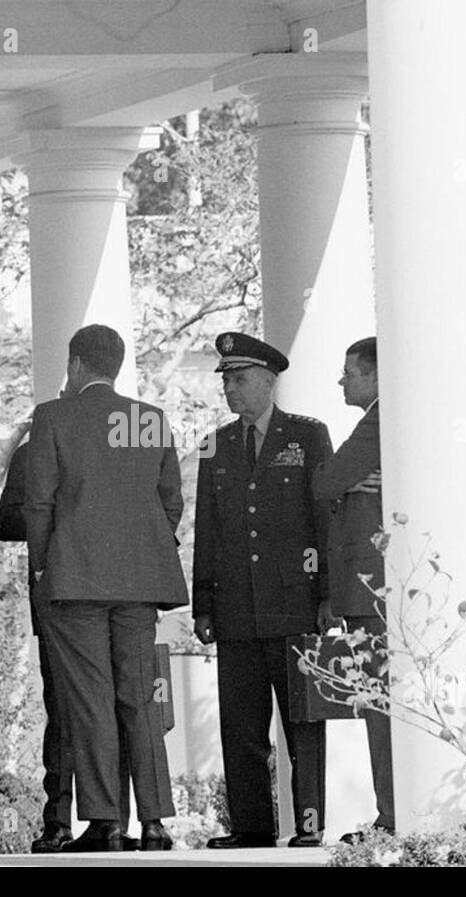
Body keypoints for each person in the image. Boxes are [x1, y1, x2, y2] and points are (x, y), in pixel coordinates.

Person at [24, 324, 189, 853]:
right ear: (115, 365)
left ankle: (103, 821)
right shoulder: (150, 419)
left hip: (75, 580)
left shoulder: (53, 417)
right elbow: (171, 503)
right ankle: (156, 820)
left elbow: (40, 504)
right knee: (139, 699)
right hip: (139, 583)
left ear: (75, 366)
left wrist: (44, 564)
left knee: (91, 701)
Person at [193, 332, 335, 849]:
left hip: (294, 605)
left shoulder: (307, 436)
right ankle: (251, 827)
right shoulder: (217, 444)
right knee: (241, 727)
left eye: (240, 378)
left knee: (303, 721)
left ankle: (310, 825)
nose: (230, 388)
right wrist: (203, 602)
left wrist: (328, 595)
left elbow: (324, 517)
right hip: (235, 608)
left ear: (269, 381)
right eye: (226, 380)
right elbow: (206, 527)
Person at [0, 435, 135, 853]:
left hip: (116, 599)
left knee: (118, 709)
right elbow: (6, 522)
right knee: (63, 715)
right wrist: (59, 515)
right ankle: (56, 820)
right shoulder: (32, 452)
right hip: (56, 602)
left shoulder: (121, 447)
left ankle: (114, 822)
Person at [314, 336, 395, 843]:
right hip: (375, 591)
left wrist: (348, 481)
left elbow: (324, 481)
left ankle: (391, 818)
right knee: (378, 708)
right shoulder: (381, 420)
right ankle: (390, 812)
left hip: (374, 591)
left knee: (380, 710)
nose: (341, 380)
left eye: (350, 372)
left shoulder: (379, 420)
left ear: (375, 375)